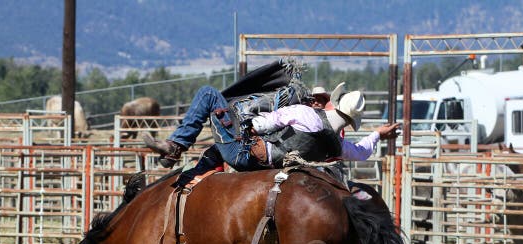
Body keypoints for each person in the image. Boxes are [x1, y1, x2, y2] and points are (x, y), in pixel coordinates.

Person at [142, 83, 399, 178]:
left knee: (209, 94)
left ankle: (175, 147)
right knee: (217, 146)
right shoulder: (337, 145)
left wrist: (244, 115)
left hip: (246, 155)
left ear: (336, 102)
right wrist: (378, 133)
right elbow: (362, 152)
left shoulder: (304, 113)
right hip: (266, 167)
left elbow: (261, 124)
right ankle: (193, 173)